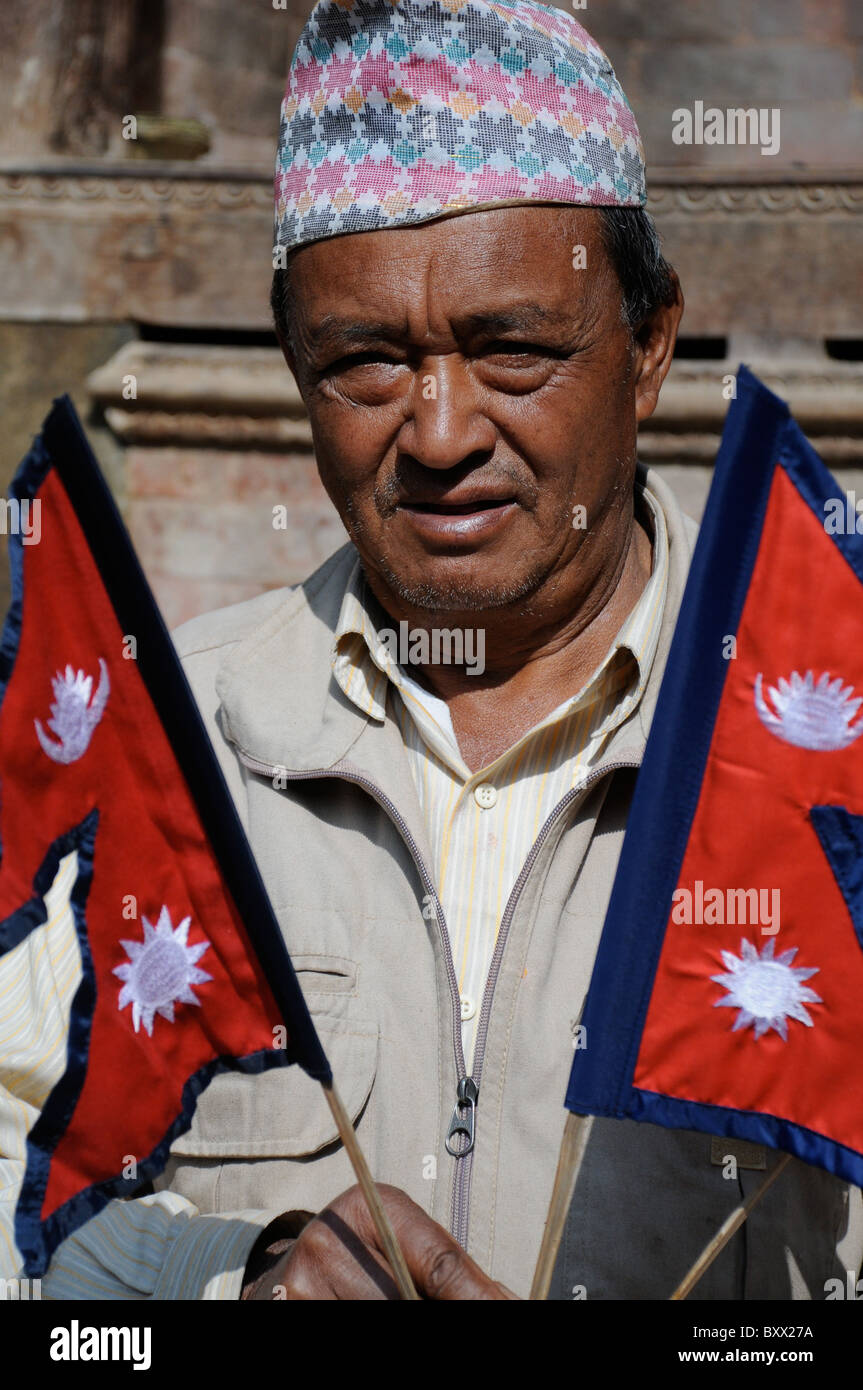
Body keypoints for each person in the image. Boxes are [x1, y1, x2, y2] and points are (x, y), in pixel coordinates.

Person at [27, 0, 862, 1299]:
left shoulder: (829, 738)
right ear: (296, 361)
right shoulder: (163, 747)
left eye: (513, 350)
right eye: (365, 362)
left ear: (648, 346)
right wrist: (227, 1277)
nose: (438, 433)